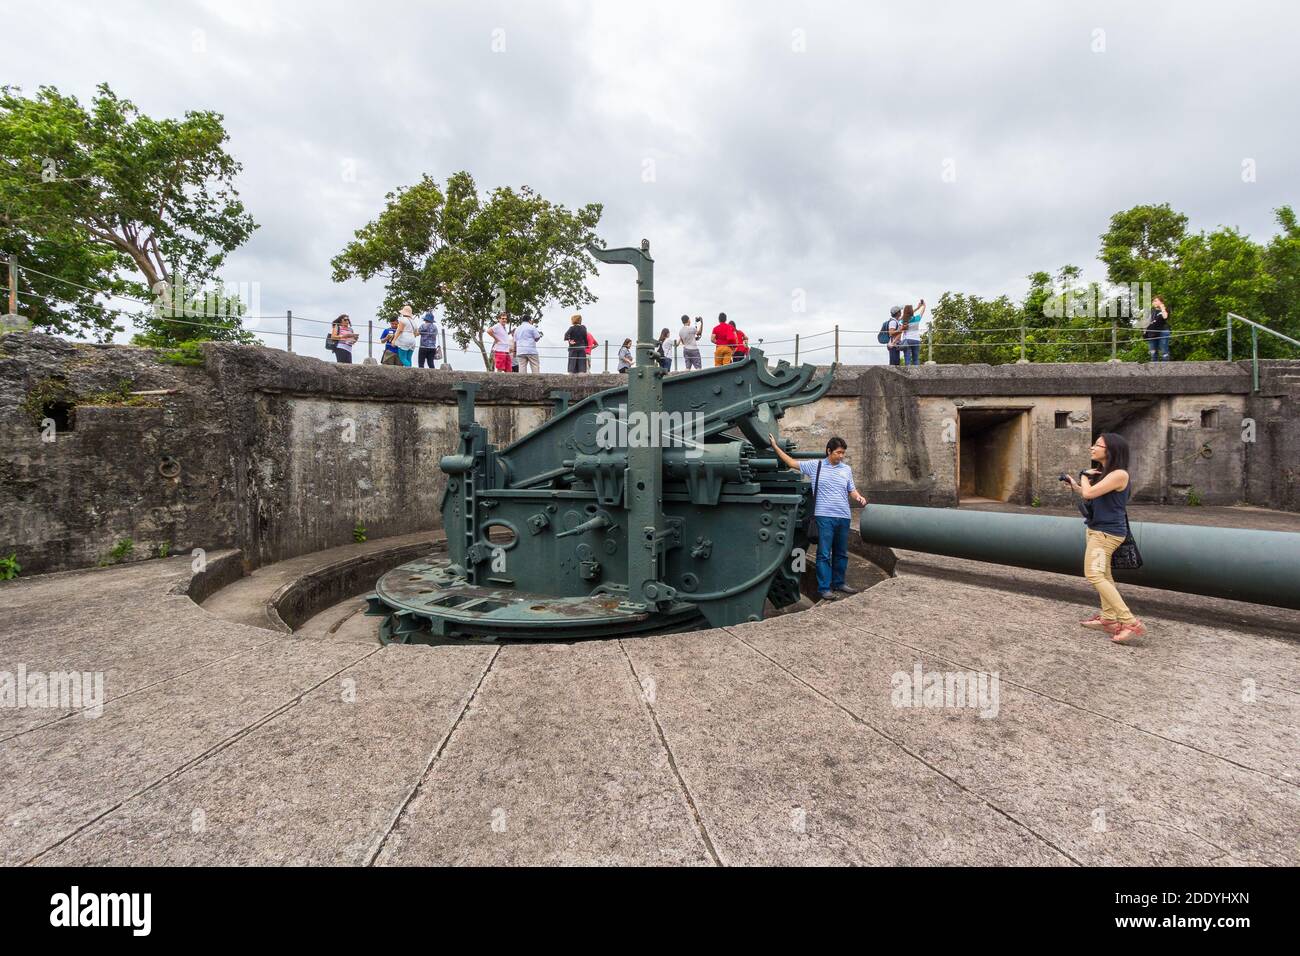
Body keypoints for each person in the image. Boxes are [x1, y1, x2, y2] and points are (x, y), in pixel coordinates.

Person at [1064, 432, 1145, 644]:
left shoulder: (1119, 474)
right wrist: (1076, 485)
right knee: (1104, 576)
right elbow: (1091, 494)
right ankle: (1109, 618)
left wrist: (1084, 475)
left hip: (1106, 535)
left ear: (1110, 450)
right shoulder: (1107, 473)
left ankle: (1129, 622)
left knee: (1094, 574)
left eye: (1097, 445)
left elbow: (1089, 494)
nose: (1092, 448)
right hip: (1097, 531)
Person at [768, 434, 867, 601]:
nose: (841, 456)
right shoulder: (816, 466)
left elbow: (851, 489)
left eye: (843, 453)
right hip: (824, 516)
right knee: (824, 554)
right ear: (829, 451)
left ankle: (839, 583)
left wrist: (858, 497)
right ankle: (824, 588)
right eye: (838, 452)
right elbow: (791, 463)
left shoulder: (846, 469)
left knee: (841, 553)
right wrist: (775, 446)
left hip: (843, 516)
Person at [1145, 296, 1171, 362]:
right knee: (1153, 352)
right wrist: (1145, 331)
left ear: (1161, 302)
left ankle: (1165, 367)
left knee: (1164, 350)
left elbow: (1165, 317)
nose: (1154, 302)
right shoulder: (1151, 311)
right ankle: (1154, 368)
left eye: (1156, 301)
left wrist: (1162, 307)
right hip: (1152, 333)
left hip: (1163, 331)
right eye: (1153, 301)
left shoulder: (1165, 309)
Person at [901, 299, 925, 366]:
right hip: (916, 339)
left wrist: (916, 308)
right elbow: (922, 312)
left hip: (907, 340)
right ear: (912, 311)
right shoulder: (916, 318)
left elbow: (901, 318)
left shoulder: (903, 320)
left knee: (907, 358)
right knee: (916, 358)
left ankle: (908, 373)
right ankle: (916, 374)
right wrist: (923, 306)